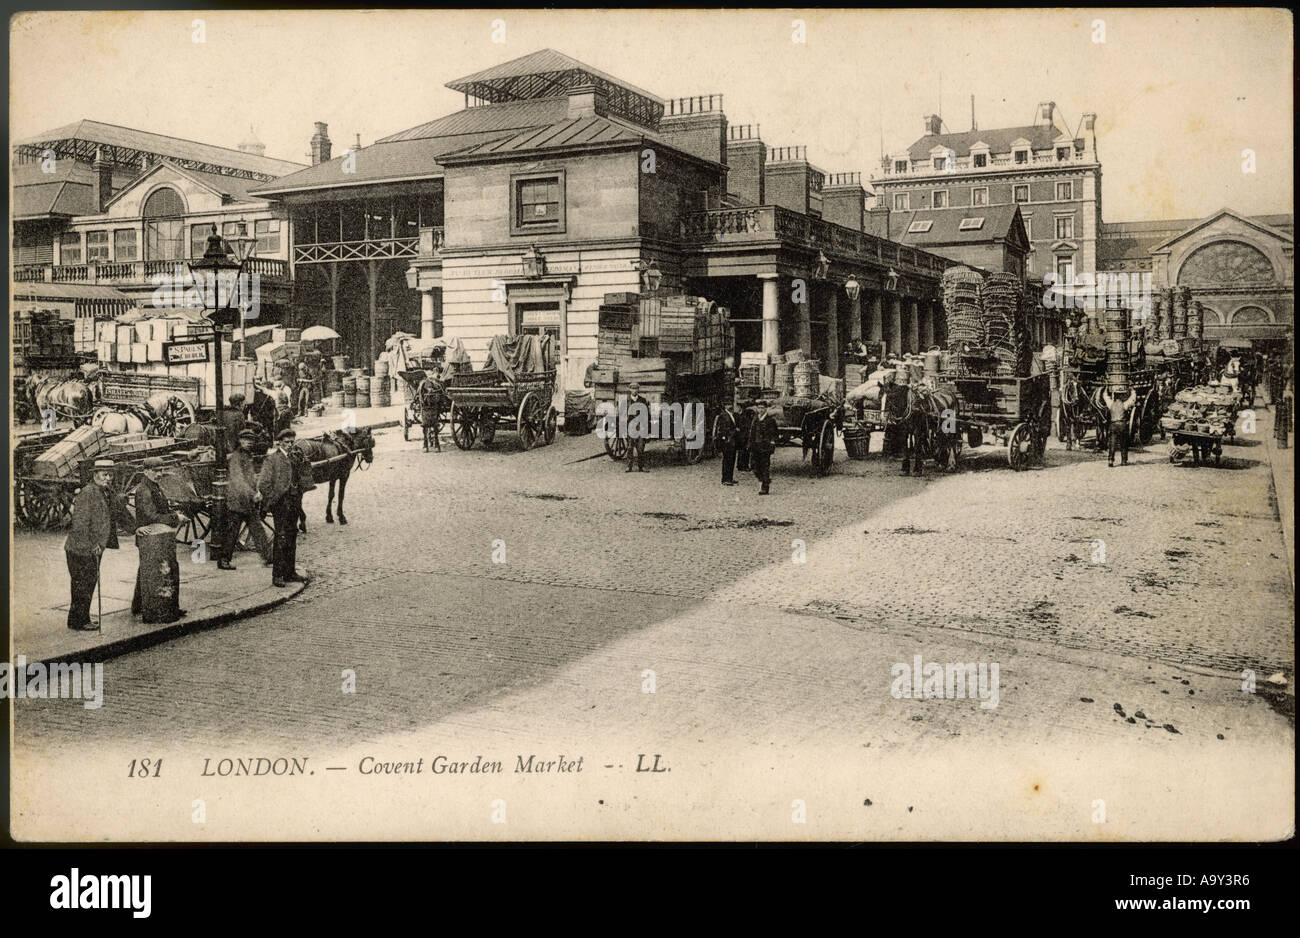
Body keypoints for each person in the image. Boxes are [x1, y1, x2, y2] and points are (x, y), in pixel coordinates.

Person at [64, 460, 123, 631]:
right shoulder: (88, 493)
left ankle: (80, 619)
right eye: (104, 474)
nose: (108, 478)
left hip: (91, 548)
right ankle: (79, 621)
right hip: (81, 550)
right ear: (94, 474)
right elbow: (80, 525)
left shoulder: (102, 491)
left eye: (110, 474)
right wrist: (92, 546)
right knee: (83, 584)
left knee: (87, 583)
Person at [130, 456, 185, 622]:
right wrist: (176, 518)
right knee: (157, 570)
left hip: (155, 537)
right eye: (156, 471)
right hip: (151, 538)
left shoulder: (153, 486)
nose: (159, 473)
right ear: (146, 471)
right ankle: (159, 606)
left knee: (146, 570)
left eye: (161, 470)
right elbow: (151, 515)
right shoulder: (143, 490)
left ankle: (138, 605)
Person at [259, 428, 307, 587]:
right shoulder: (272, 460)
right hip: (280, 504)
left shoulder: (294, 458)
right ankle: (277, 575)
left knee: (292, 536)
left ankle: (290, 572)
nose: (289, 445)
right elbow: (263, 484)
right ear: (279, 443)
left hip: (294, 503)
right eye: (286, 442)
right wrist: (273, 500)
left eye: (292, 442)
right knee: (281, 537)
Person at [219, 429, 271, 570]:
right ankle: (224, 560)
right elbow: (238, 480)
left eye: (251, 440)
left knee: (257, 529)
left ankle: (267, 556)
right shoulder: (237, 457)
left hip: (247, 501)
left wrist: (257, 490)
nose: (249, 443)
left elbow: (251, 478)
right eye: (245, 440)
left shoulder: (248, 456)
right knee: (232, 532)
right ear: (240, 441)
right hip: (237, 499)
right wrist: (252, 494)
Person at [1101, 386, 1137, 467]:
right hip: (1122, 425)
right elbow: (1133, 399)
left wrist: (1106, 389)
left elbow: (1105, 396)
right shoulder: (1124, 404)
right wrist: (1132, 390)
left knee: (1112, 443)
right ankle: (1124, 461)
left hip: (1113, 425)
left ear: (1115, 396)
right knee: (1123, 443)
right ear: (1121, 396)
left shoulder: (1111, 404)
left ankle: (1110, 460)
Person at [750, 399, 780, 495]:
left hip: (765, 447)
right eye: (759, 408)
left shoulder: (770, 420)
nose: (761, 410)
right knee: (754, 466)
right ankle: (763, 480)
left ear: (766, 409)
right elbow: (752, 433)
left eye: (762, 408)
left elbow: (775, 434)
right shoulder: (755, 419)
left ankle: (764, 487)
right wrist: (750, 444)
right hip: (756, 446)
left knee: (765, 466)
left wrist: (772, 443)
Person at [416, 371, 446, 453]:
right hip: (425, 405)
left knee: (435, 424)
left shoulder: (436, 387)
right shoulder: (422, 388)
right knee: (425, 425)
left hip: (434, 406)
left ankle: (436, 444)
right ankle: (426, 444)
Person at [624, 382, 649, 472]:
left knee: (640, 447)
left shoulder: (643, 400)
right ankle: (629, 466)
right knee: (630, 447)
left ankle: (641, 466)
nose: (634, 390)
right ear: (630, 389)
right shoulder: (626, 401)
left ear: (638, 390)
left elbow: (647, 415)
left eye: (636, 388)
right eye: (632, 388)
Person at [713, 402, 740, 485]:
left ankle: (730, 478)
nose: (730, 406)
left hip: (732, 440)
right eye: (728, 404)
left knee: (731, 460)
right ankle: (725, 479)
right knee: (727, 460)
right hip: (727, 440)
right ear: (725, 406)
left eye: (730, 404)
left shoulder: (731, 415)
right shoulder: (723, 415)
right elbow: (724, 429)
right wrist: (735, 430)